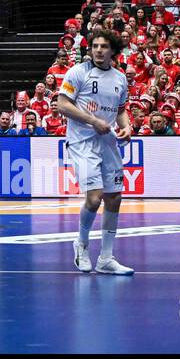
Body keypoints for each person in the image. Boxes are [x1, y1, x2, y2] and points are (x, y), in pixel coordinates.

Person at [56, 29, 135, 275]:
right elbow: (62, 104)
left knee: (114, 198)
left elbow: (121, 109)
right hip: (82, 142)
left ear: (113, 51)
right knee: (95, 197)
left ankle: (106, 258)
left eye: (104, 46)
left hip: (108, 143)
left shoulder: (120, 78)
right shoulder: (78, 72)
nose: (99, 50)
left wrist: (127, 126)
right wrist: (93, 121)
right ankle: (81, 244)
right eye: (95, 46)